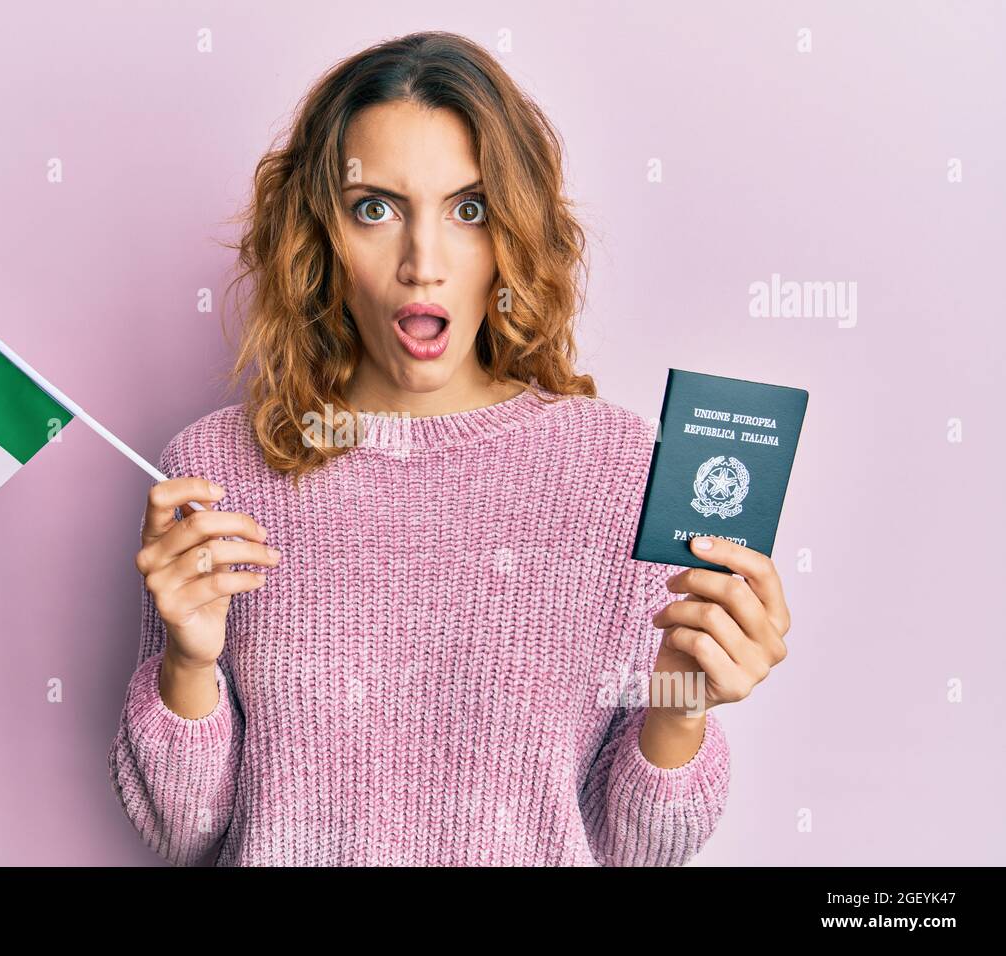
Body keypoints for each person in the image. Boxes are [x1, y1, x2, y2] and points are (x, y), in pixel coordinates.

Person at [108, 31, 791, 866]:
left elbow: (634, 849)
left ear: (510, 235)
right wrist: (187, 660)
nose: (422, 263)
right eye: (375, 208)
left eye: (467, 210)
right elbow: (180, 832)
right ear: (320, 240)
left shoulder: (623, 471)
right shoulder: (214, 472)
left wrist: (682, 698)